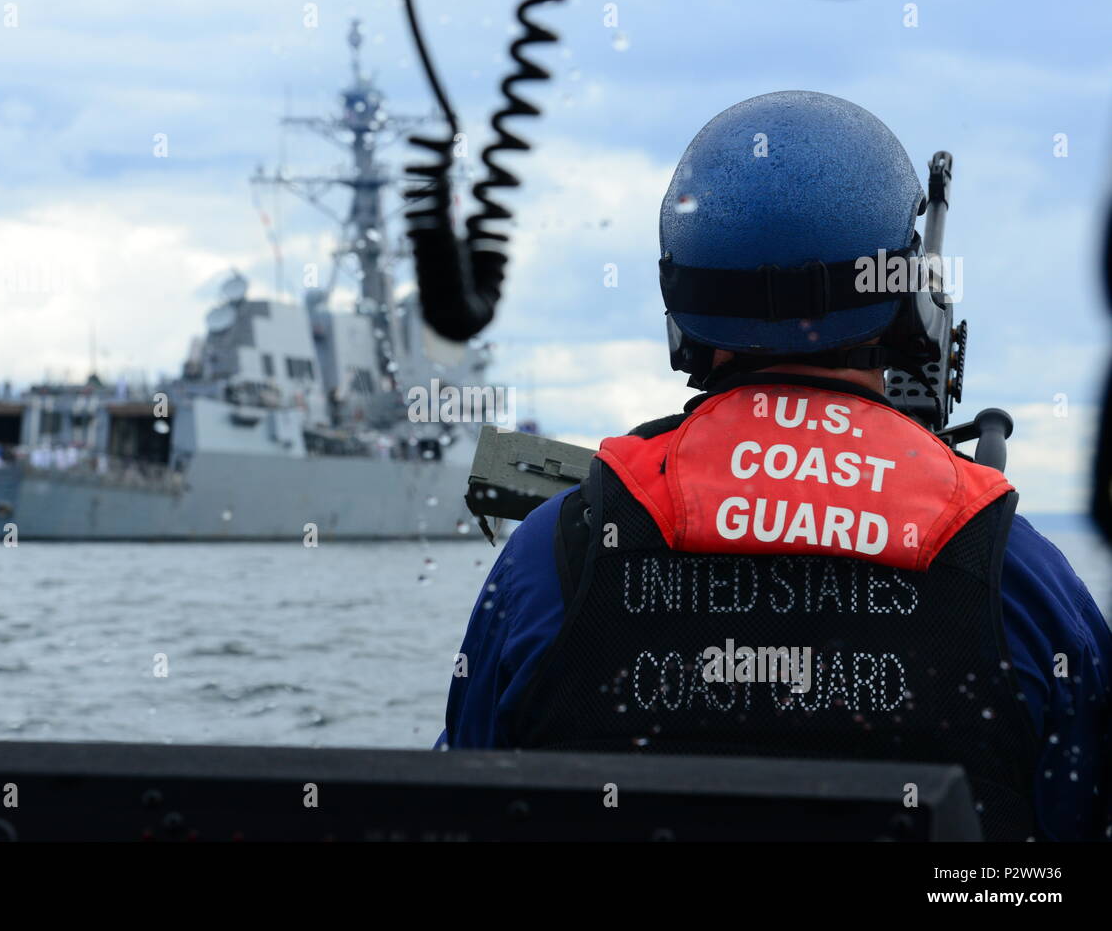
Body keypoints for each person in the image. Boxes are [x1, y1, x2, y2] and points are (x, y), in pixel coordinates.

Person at [438, 91, 1111, 841]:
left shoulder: (551, 556)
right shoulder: (1017, 577)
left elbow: (462, 802)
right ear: (912, 299)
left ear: (681, 297)